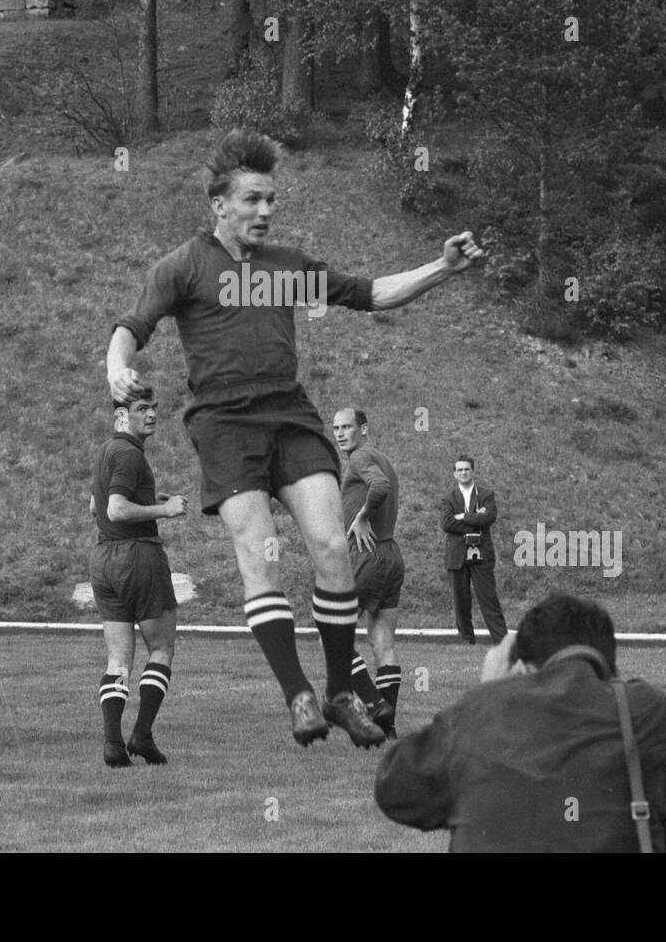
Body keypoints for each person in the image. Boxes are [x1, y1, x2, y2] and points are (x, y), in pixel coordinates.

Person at [106, 128, 486, 748]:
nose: (264, 211)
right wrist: (117, 368)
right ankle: (298, 696)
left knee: (333, 547)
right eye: (252, 199)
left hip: (291, 417)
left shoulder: (288, 269)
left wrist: (442, 267)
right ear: (219, 204)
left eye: (271, 200)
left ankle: (339, 692)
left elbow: (372, 294)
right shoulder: (183, 267)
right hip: (224, 425)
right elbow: (132, 328)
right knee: (262, 556)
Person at [374, 593, 666, 852]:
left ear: (520, 668)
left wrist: (489, 691)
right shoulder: (647, 711)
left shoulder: (485, 708)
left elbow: (396, 789)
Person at [89, 386, 188, 767]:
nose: (151, 414)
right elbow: (115, 508)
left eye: (154, 408)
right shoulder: (130, 454)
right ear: (121, 417)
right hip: (139, 557)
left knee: (118, 655)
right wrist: (166, 511)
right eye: (142, 408)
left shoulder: (105, 451)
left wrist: (148, 498)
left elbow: (94, 504)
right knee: (161, 648)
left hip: (102, 560)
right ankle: (143, 734)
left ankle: (113, 745)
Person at [332, 407, 402, 740]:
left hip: (367, 556)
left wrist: (360, 517)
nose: (340, 433)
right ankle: (386, 728)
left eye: (347, 426)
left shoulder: (360, 457)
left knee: (335, 631)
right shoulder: (380, 456)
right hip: (390, 554)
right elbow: (383, 482)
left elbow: (380, 486)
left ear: (364, 428)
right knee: (383, 641)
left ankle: (374, 704)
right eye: (336, 427)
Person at [438, 455, 506, 644]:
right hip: (457, 555)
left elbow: (489, 517)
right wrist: (476, 519)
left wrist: (463, 517)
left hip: (482, 554)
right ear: (454, 474)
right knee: (461, 601)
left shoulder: (486, 494)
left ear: (473, 471)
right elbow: (447, 523)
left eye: (466, 469)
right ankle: (467, 641)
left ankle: (502, 642)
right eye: (459, 470)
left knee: (489, 599)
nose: (463, 473)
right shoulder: (448, 498)